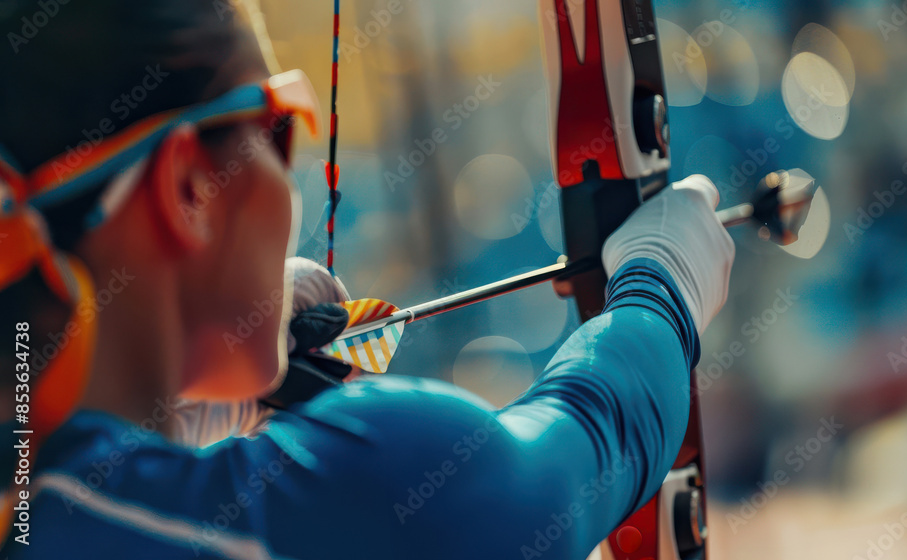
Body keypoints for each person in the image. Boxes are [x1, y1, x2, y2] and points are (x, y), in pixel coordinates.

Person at [0, 0, 735, 558]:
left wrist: (160, 416)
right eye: (281, 124)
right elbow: (575, 455)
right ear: (192, 186)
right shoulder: (374, 488)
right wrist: (662, 284)